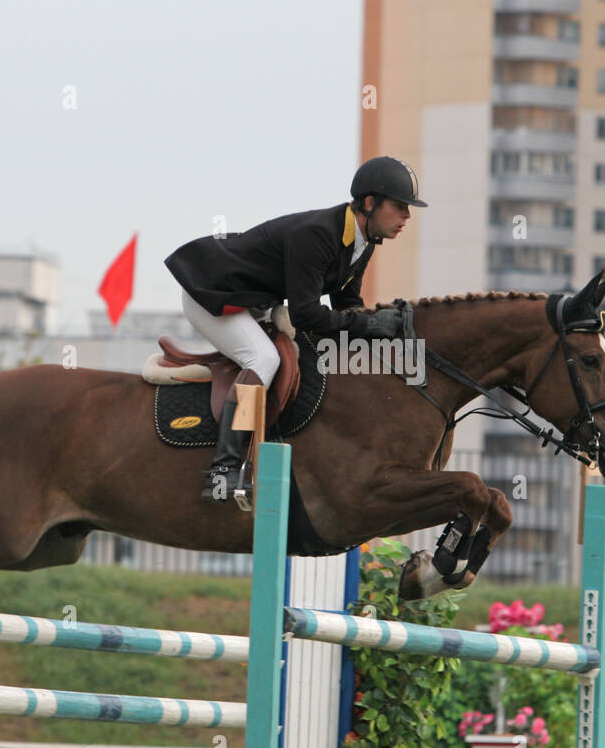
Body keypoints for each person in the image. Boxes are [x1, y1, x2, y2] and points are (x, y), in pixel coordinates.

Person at [164, 156, 427, 502]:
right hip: (211, 296)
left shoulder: (364, 241)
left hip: (253, 302)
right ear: (369, 203)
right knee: (263, 359)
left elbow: (346, 304)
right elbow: (305, 314)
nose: (407, 216)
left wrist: (382, 323)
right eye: (400, 207)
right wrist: (367, 324)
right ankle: (223, 468)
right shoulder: (318, 235)